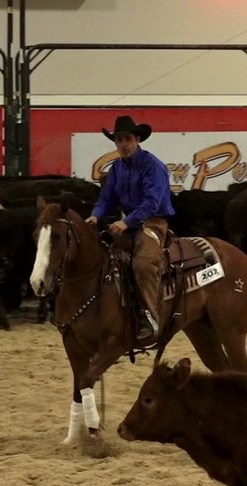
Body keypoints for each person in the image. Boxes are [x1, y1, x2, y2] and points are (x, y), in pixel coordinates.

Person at [86, 115, 176, 343]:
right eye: (118, 140)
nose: (123, 144)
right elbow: (107, 197)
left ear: (137, 139)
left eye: (127, 139)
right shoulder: (117, 168)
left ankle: (151, 318)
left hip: (153, 222)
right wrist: (95, 216)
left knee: (143, 263)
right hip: (130, 223)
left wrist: (126, 222)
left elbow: (152, 202)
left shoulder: (152, 166)